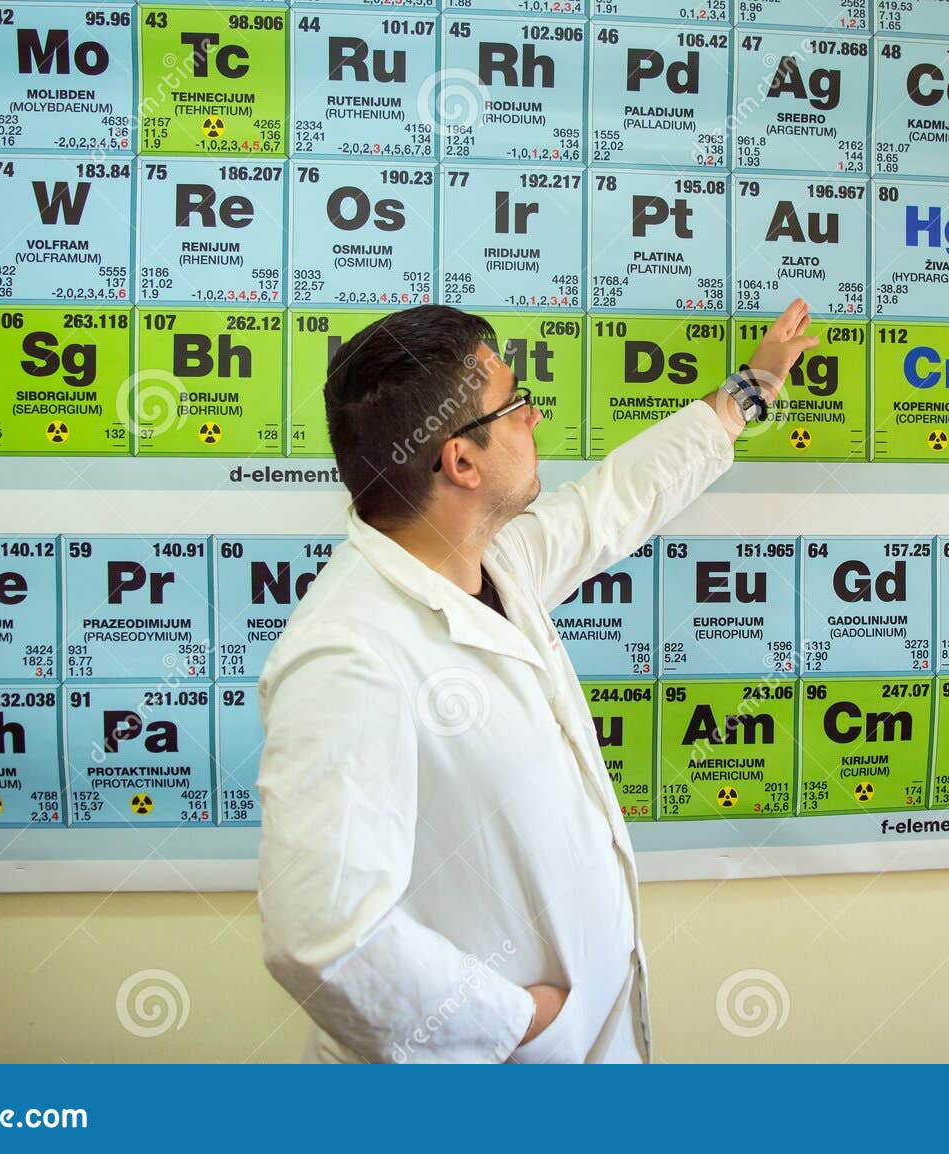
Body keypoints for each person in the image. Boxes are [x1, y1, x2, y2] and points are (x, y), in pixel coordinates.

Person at [256, 299, 818, 1063]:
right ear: (460, 459)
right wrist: (515, 1023)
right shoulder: (349, 654)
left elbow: (612, 504)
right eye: (517, 402)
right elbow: (320, 937)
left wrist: (748, 392)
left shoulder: (492, 561)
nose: (535, 415)